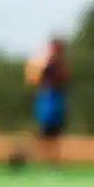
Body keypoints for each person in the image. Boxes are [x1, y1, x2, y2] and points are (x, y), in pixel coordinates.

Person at [24, 36, 70, 168]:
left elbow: (65, 77)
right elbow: (31, 79)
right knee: (43, 132)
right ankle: (38, 159)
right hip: (45, 99)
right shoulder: (42, 62)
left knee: (56, 133)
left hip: (56, 99)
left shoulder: (61, 63)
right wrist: (41, 65)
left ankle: (53, 163)